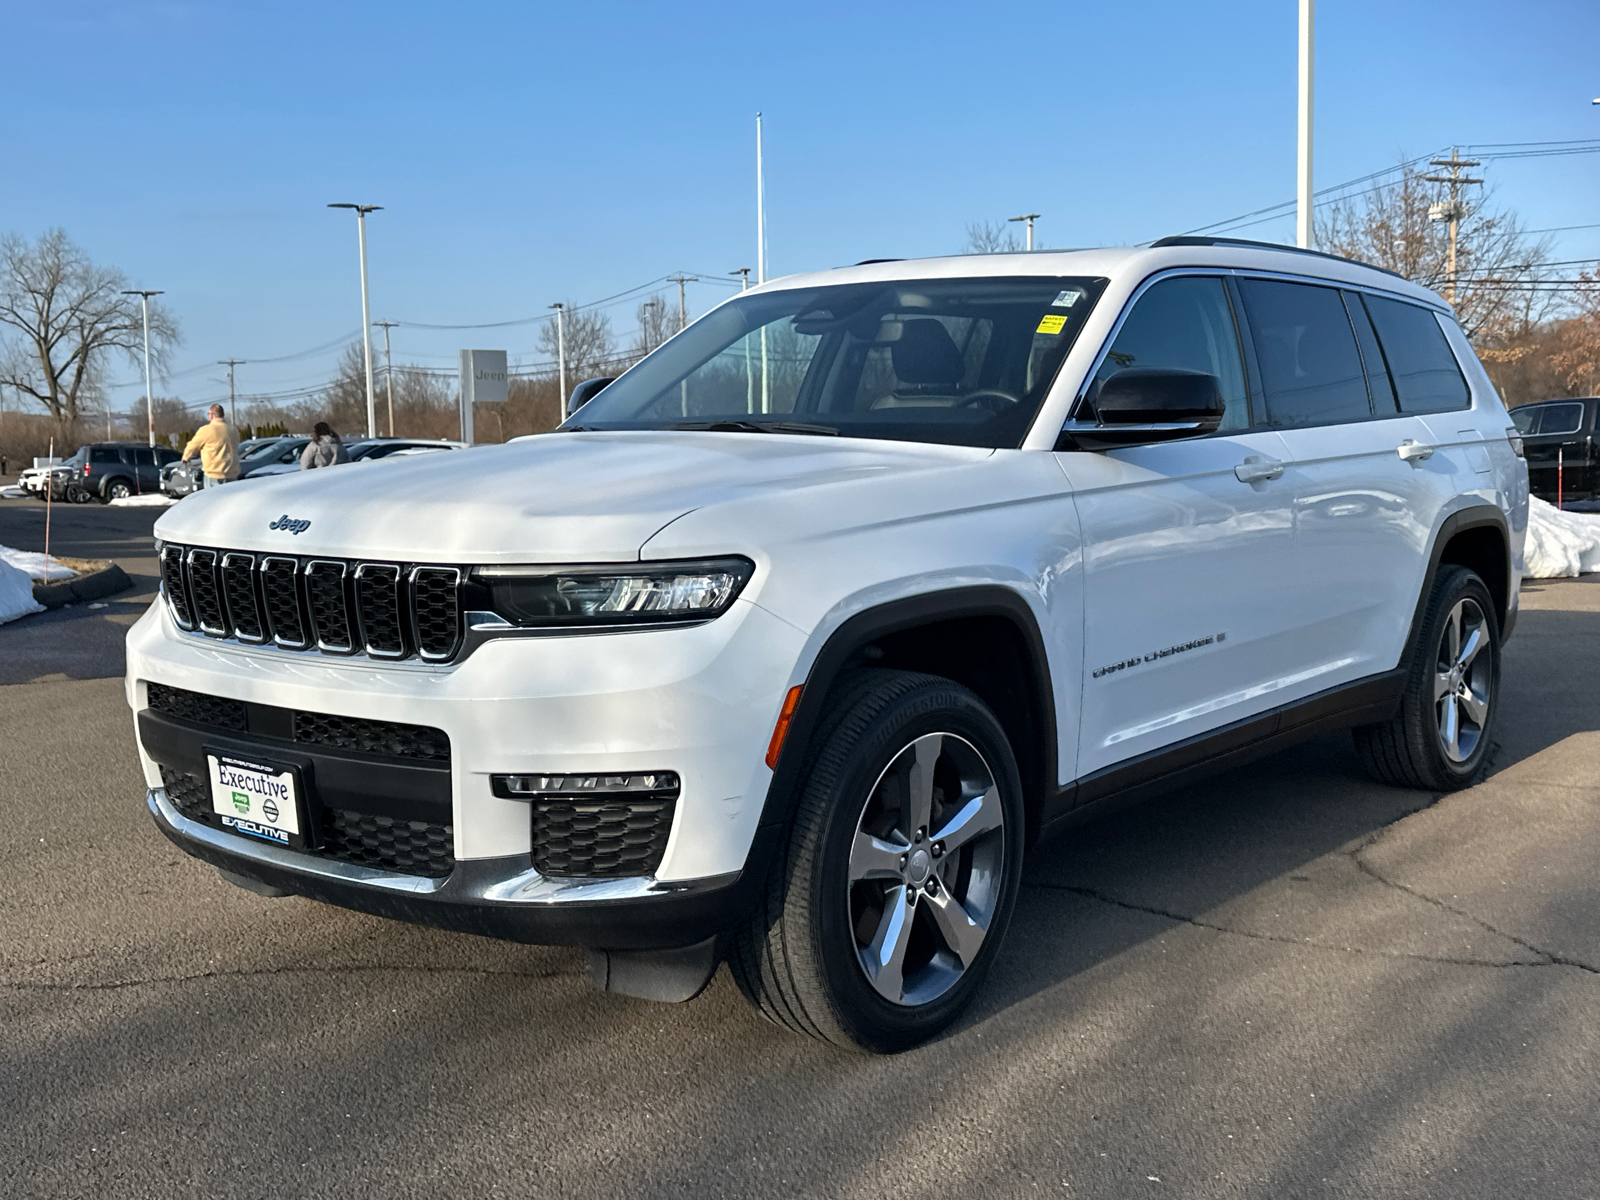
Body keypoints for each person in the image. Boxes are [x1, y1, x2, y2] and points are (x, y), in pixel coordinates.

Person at [181, 404, 240, 489]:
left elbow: (192, 446)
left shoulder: (207, 430)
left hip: (214, 474)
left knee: (214, 501)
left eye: (208, 414)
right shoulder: (233, 430)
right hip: (232, 474)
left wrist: (186, 457)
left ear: (212, 415)